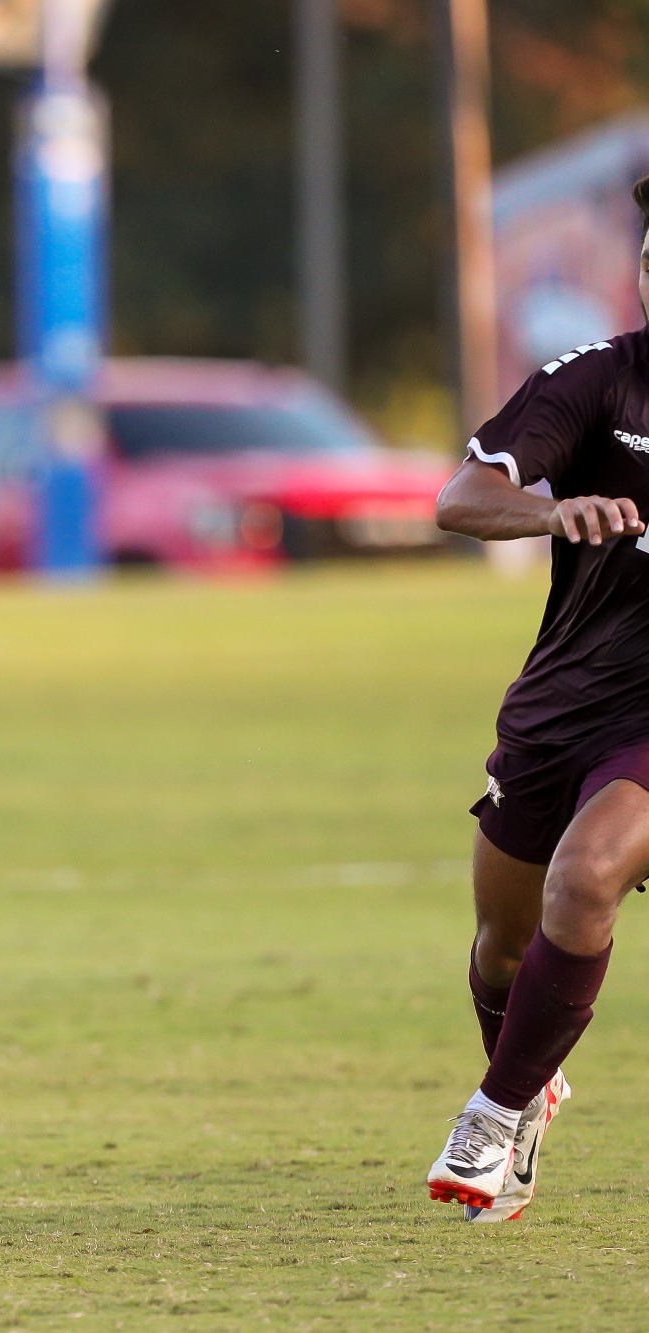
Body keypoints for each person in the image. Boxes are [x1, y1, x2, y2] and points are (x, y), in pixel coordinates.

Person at [423, 176, 649, 1221]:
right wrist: (548, 516)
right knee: (501, 949)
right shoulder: (599, 382)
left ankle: (491, 1115)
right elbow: (460, 498)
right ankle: (523, 1078)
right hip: (558, 706)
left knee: (586, 871)